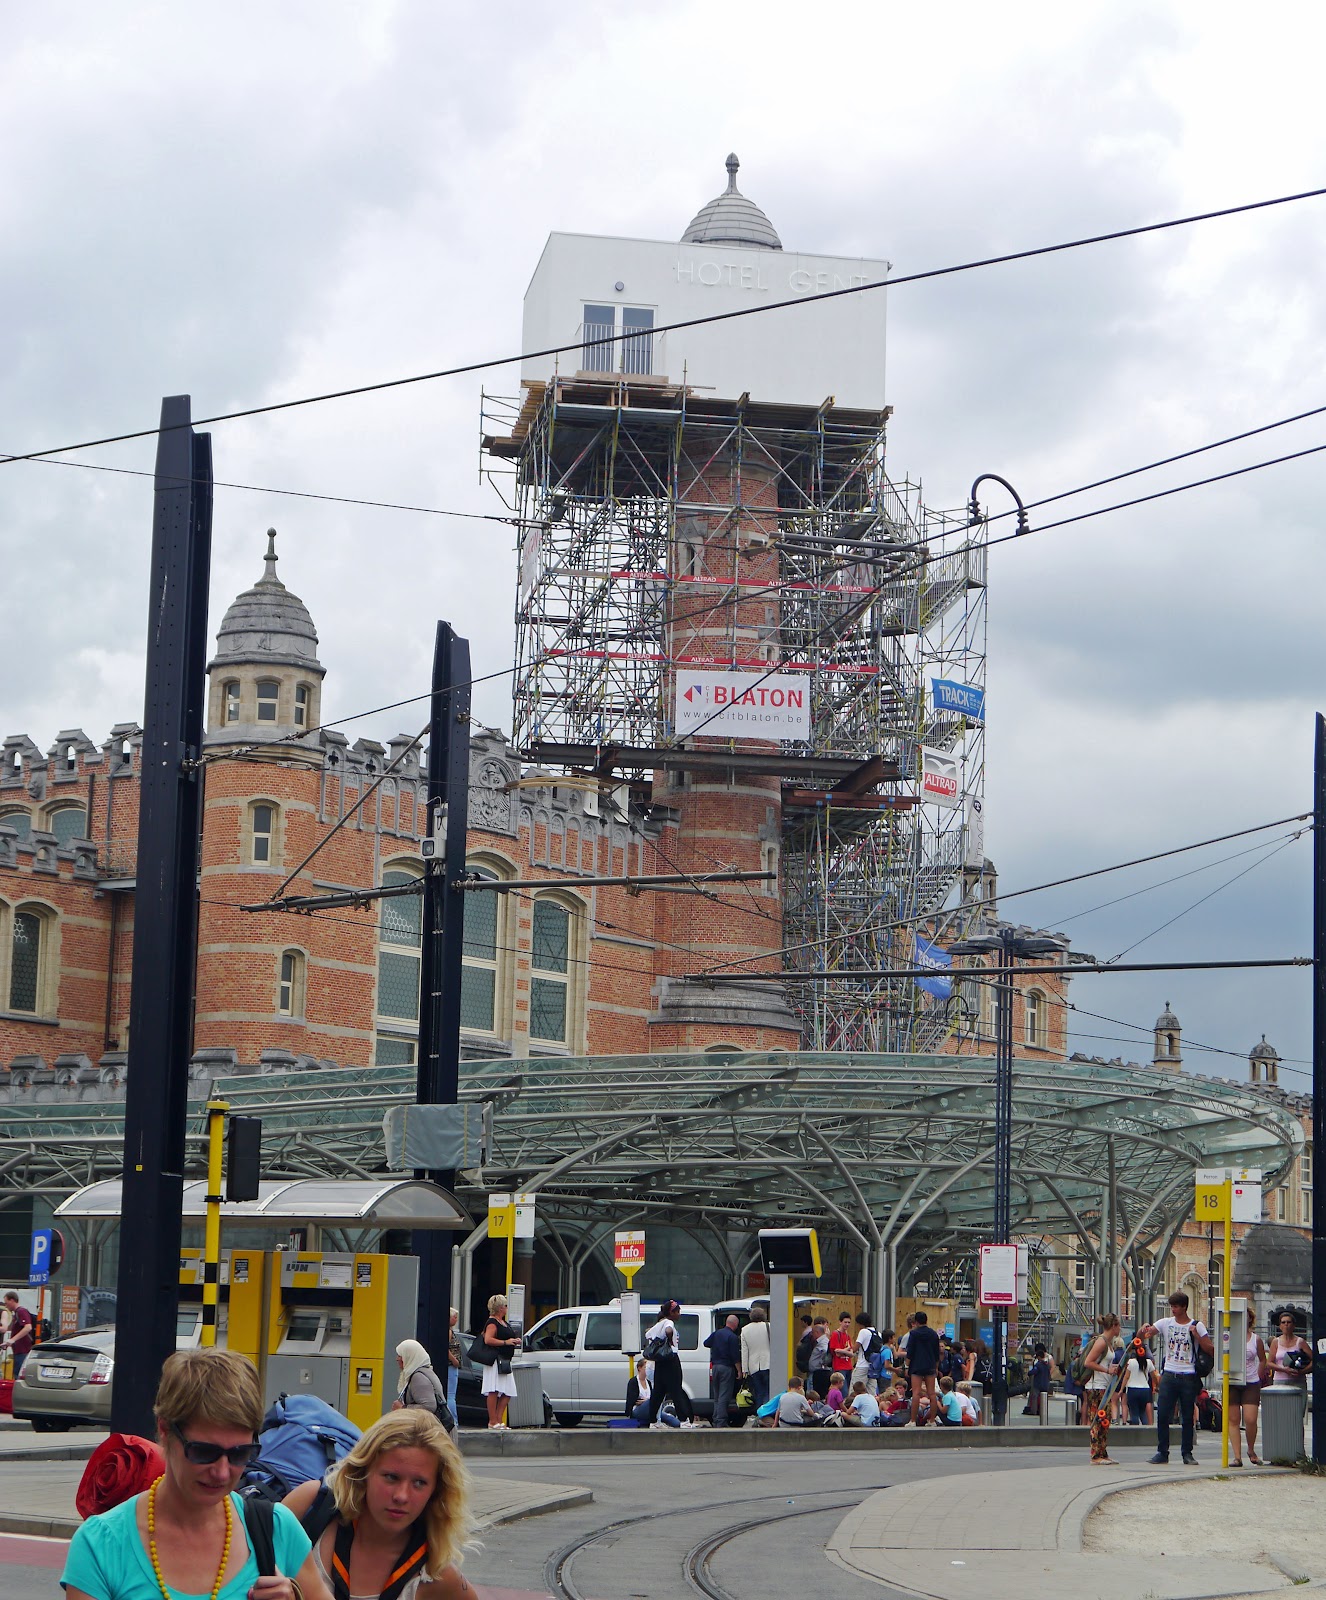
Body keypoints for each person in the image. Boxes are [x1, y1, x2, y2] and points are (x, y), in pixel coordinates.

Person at [61, 1346, 327, 1600]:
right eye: (203, 1452)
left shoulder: (277, 1530)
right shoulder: (102, 1544)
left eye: (239, 1453)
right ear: (164, 1430)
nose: (222, 1472)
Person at [285, 1407, 476, 1599]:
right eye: (391, 1477)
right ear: (364, 1471)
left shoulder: (436, 1574)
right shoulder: (311, 1505)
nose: (401, 1496)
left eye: (419, 1483)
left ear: (436, 1490)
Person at [1141, 1291, 1213, 1465]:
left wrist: (1196, 1335)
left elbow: (1210, 1348)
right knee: (1163, 1414)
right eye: (1171, 1306)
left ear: (1184, 1307)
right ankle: (1162, 1452)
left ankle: (1187, 1453)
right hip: (1169, 1374)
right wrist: (1142, 1329)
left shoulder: (1197, 1325)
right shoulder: (1165, 1323)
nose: (1172, 1310)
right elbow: (1143, 1336)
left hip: (1188, 1375)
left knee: (1187, 1416)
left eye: (1175, 1306)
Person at [1267, 1309, 1313, 1448]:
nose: (1286, 1325)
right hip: (1280, 1381)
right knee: (1281, 1417)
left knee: (1296, 1418)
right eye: (1283, 1323)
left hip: (1298, 1382)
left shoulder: (1300, 1342)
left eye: (1289, 1322)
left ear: (1293, 1325)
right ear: (1279, 1326)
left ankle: (1298, 1449)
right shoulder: (1276, 1342)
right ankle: (1282, 1448)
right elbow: (1269, 1362)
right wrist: (1283, 1369)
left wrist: (1302, 1371)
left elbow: (1313, 1360)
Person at [646, 1299, 694, 1429]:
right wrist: (669, 1340)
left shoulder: (658, 1324)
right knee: (676, 1390)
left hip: (660, 1361)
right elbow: (668, 1330)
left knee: (658, 1392)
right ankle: (684, 1420)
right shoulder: (669, 1322)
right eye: (677, 1311)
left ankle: (653, 1422)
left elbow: (648, 1334)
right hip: (671, 1359)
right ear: (671, 1312)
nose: (679, 1314)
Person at [480, 1293, 521, 1431]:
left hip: (504, 1361)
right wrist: (506, 1342)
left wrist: (514, 1341)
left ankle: (498, 1419)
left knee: (508, 1390)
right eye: (505, 1306)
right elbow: (488, 1339)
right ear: (500, 1308)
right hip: (495, 1361)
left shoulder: (503, 1322)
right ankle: (492, 1421)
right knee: (493, 1390)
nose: (507, 1308)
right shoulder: (492, 1322)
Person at [393, 1339, 452, 1431]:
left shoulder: (418, 1377)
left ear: (409, 1356)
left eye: (400, 1355)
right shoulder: (424, 1372)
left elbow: (429, 1406)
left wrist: (402, 1408)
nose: (397, 1359)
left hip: (433, 1434)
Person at [1082, 1313, 1121, 1430]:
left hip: (1104, 1386)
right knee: (1098, 1423)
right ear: (1114, 1326)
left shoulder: (1108, 1342)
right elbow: (1088, 1362)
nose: (1120, 1329)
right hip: (1096, 1387)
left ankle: (1100, 1448)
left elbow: (1103, 1362)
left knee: (1104, 1423)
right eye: (1119, 1326)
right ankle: (1096, 1448)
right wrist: (1107, 1370)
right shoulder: (1102, 1341)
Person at [704, 1313, 741, 1427]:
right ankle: (721, 1421)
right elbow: (735, 1357)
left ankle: (716, 1419)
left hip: (715, 1367)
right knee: (724, 1396)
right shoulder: (733, 1337)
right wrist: (739, 1371)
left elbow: (706, 1343)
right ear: (735, 1325)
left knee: (717, 1396)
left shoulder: (717, 1333)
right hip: (726, 1368)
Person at [906, 1310, 941, 1426]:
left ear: (916, 1321)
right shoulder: (933, 1334)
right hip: (930, 1365)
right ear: (926, 1320)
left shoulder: (914, 1334)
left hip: (916, 1365)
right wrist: (936, 1367)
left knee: (916, 1393)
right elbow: (937, 1353)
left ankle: (912, 1421)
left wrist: (906, 1366)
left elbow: (910, 1352)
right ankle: (932, 1420)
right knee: (932, 1394)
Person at [626, 1356, 678, 1427]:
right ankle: (656, 1421)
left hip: (650, 1407)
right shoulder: (633, 1382)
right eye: (645, 1367)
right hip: (637, 1410)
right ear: (639, 1368)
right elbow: (632, 1400)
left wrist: (647, 1400)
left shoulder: (649, 1382)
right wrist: (646, 1401)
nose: (647, 1370)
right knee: (654, 1400)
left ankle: (681, 1423)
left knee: (671, 1420)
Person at [740, 1304, 771, 1410]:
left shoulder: (745, 1330)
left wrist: (745, 1370)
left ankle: (760, 1414)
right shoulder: (769, 1326)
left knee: (758, 1392)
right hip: (768, 1363)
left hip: (753, 1366)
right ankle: (767, 1414)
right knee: (768, 1390)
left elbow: (745, 1351)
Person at [1122, 1340, 1157, 1428]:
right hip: (1145, 1390)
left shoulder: (1131, 1362)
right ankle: (1145, 1432)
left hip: (1132, 1390)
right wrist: (1157, 1385)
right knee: (1142, 1413)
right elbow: (1154, 1376)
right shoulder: (1148, 1362)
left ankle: (1135, 1434)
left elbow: (1126, 1377)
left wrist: (1121, 1389)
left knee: (1134, 1413)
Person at [1, 1291, 35, 1375]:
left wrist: (12, 1340)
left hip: (23, 1350)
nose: (6, 1305)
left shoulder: (21, 1311)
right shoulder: (16, 1313)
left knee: (19, 1374)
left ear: (12, 1300)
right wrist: (8, 1343)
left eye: (7, 1303)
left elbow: (28, 1327)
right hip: (18, 1350)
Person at [852, 1312, 880, 1393]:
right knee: (871, 1392)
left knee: (855, 1390)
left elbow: (855, 1348)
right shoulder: (878, 1333)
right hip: (873, 1367)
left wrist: (845, 1350)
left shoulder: (863, 1331)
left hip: (862, 1365)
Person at [1023, 1343, 1052, 1418]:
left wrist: (1029, 1373)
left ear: (1038, 1357)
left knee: (1035, 1396)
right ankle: (1043, 1410)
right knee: (1043, 1397)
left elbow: (1033, 1371)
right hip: (1045, 1383)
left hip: (1038, 1383)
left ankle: (1034, 1410)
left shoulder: (1038, 1364)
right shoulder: (1047, 1365)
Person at [806, 1318, 833, 1399]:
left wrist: (822, 1362)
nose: (812, 1335)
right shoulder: (820, 1341)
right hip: (815, 1371)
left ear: (817, 1332)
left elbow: (825, 1351)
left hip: (818, 1372)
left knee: (812, 1394)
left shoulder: (823, 1341)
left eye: (813, 1333)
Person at [828, 1313, 855, 1389]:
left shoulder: (847, 1336)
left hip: (848, 1366)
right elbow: (837, 1353)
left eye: (849, 1322)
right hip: (839, 1367)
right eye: (845, 1322)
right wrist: (846, 1350)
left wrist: (842, 1350)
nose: (847, 1324)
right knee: (843, 1390)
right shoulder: (836, 1334)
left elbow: (851, 1353)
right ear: (840, 1322)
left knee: (848, 1389)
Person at [445, 1308, 463, 1423]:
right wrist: (454, 1360)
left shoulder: (450, 1330)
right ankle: (454, 1422)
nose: (456, 1319)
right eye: (454, 1317)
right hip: (451, 1366)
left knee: (450, 1395)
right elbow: (444, 1347)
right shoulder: (448, 1332)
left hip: (452, 1366)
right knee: (451, 1395)